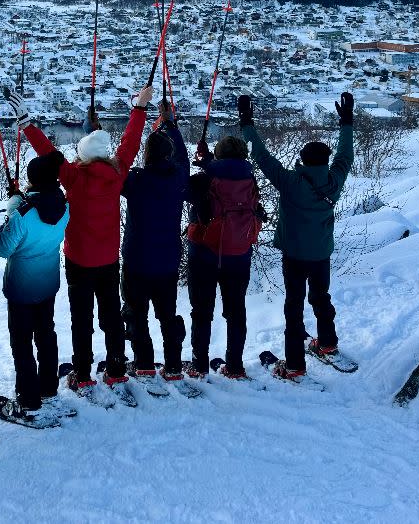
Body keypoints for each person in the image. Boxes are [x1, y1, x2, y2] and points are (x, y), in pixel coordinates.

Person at [17, 83, 151, 396]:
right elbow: (130, 143)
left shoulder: (74, 177)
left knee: (82, 319)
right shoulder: (117, 173)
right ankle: (117, 368)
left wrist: (27, 125)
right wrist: (139, 108)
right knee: (111, 316)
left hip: (78, 259)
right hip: (108, 259)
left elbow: (49, 155)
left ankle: (83, 372)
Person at [239, 93, 355, 380]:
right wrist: (346, 122)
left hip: (293, 254)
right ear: (325, 161)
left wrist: (246, 123)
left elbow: (261, 156)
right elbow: (345, 155)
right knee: (320, 296)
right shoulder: (334, 180)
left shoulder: (290, 183)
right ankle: (327, 343)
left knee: (294, 305)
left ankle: (294, 365)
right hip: (321, 252)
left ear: (302, 160)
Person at [0, 150, 71, 424]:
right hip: (48, 282)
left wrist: (14, 209)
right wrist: (20, 203)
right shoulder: (64, 207)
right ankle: (49, 388)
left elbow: (3, 249)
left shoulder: (23, 214)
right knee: (46, 334)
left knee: (22, 342)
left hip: (22, 287)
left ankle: (28, 398)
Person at [185, 130, 267, 380]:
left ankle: (199, 364)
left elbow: (183, 189)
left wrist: (206, 165)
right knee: (236, 310)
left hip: (204, 254)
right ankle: (234, 365)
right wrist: (209, 162)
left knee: (201, 311)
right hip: (239, 255)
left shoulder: (204, 180)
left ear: (218, 156)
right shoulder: (249, 181)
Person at [120, 99, 189, 385]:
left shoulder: (135, 181)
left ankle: (144, 363)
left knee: (137, 314)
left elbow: (120, 163)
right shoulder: (178, 180)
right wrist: (170, 125)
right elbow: (183, 160)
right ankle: (173, 366)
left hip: (137, 260)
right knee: (167, 315)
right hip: (167, 261)